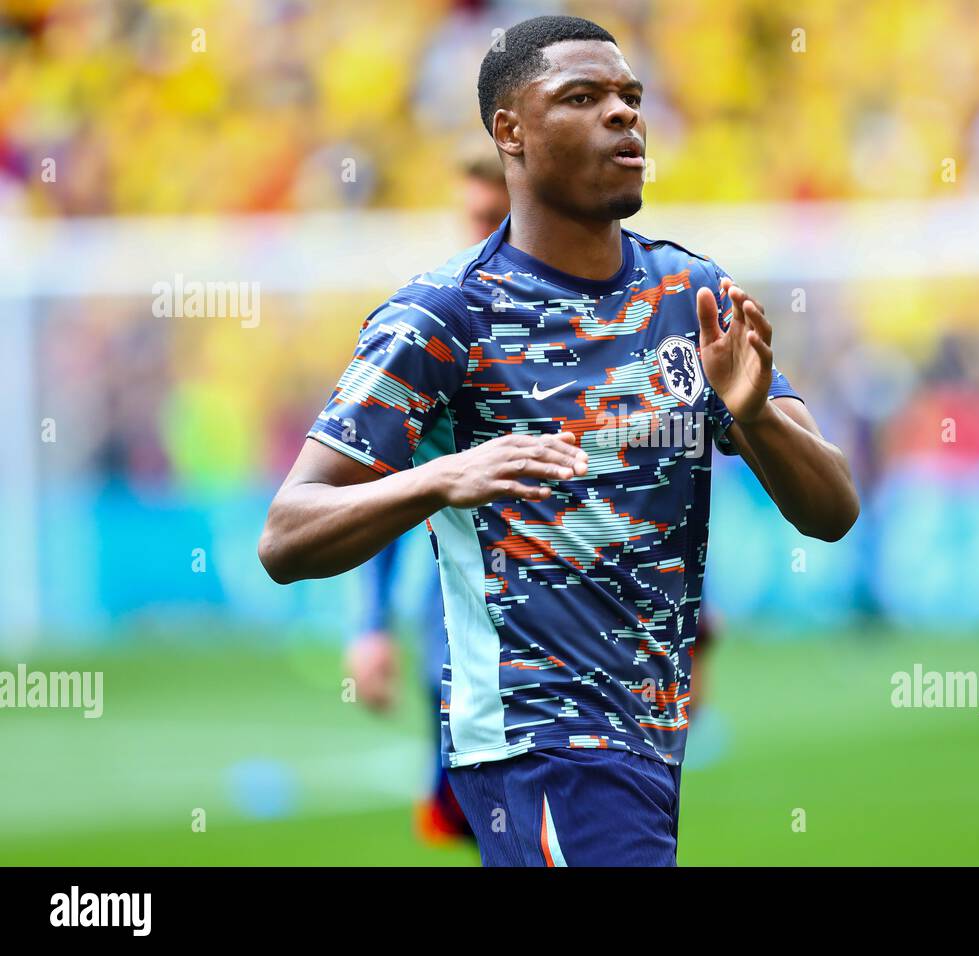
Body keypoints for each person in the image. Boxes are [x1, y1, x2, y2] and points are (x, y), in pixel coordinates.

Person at [258, 14, 858, 867]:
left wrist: (756, 416)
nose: (623, 115)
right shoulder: (443, 318)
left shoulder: (694, 295)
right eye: (582, 97)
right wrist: (442, 478)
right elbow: (287, 533)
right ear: (509, 131)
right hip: (535, 738)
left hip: (652, 733)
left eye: (630, 97)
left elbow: (833, 511)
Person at [345, 157, 509, 843]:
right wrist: (370, 623)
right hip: (458, 643)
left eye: (493, 218)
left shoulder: (586, 331)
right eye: (471, 218)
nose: (482, 236)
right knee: (486, 831)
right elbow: (376, 487)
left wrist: (696, 635)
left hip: (578, 652)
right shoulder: (436, 334)